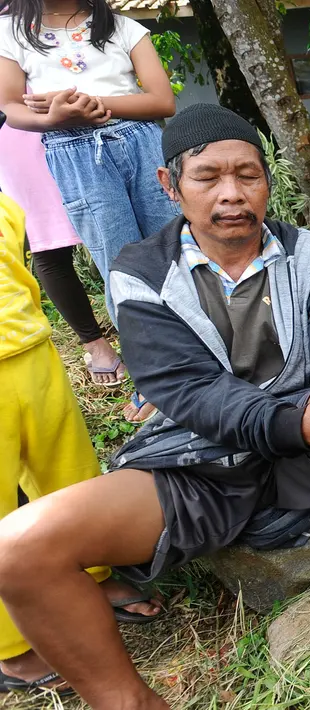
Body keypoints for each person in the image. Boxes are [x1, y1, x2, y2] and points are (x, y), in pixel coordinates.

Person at [0, 105, 310, 708]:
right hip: (195, 468)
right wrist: (291, 420)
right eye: (208, 177)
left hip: (306, 452)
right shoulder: (139, 273)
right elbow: (183, 390)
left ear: (268, 180)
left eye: (248, 175)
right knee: (17, 550)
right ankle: (125, 699)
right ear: (170, 185)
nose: (232, 194)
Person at [0, 176, 161, 696]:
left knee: (68, 470)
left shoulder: (4, 201)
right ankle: (11, 649)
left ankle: (90, 573)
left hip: (31, 351)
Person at [0, 0, 181, 421]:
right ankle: (151, 378)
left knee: (176, 251)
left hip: (142, 142)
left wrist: (93, 104)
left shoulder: (123, 26)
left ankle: (201, 361)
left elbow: (162, 100)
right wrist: (55, 119)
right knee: (120, 265)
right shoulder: (10, 31)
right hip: (74, 152)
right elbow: (10, 107)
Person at [0, 119, 126, 385]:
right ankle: (96, 345)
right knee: (47, 244)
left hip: (73, 123)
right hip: (13, 133)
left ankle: (150, 339)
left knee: (118, 230)